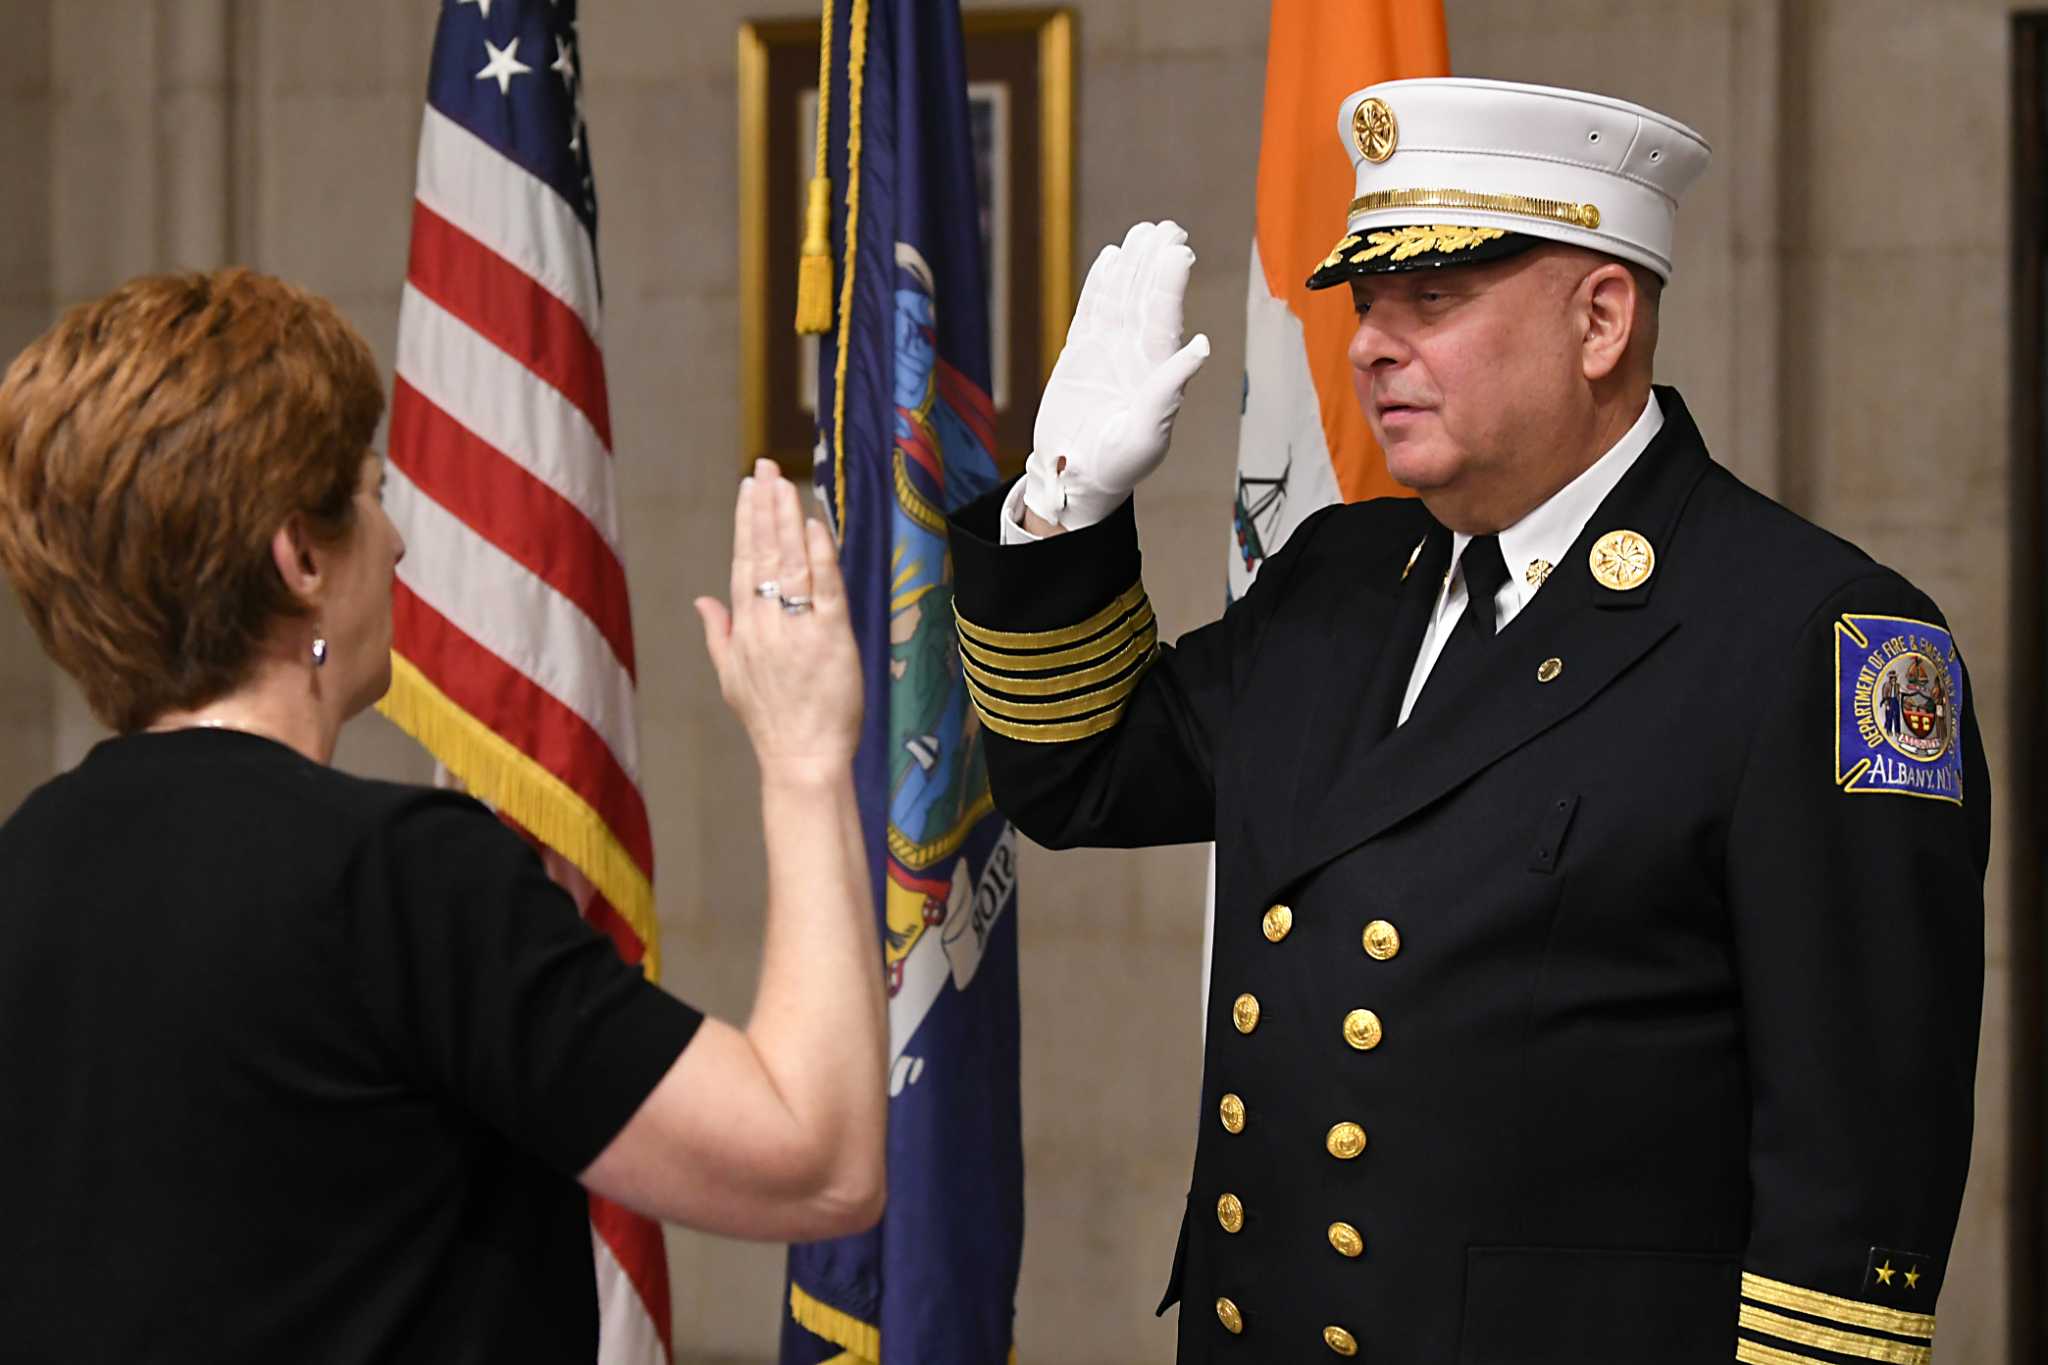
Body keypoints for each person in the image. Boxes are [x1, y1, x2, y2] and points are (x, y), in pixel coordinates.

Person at [947, 78, 1988, 1363]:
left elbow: (1855, 1167)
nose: (1371, 344)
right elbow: (1079, 775)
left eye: (1431, 301)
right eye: (1365, 305)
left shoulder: (1807, 640)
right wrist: (1061, 508)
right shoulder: (1336, 579)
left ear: (1600, 319)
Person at [0, 268, 885, 1361]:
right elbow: (815, 1162)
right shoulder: (392, 879)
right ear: (300, 557)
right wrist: (803, 758)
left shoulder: (23, 863)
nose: (400, 543)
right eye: (371, 494)